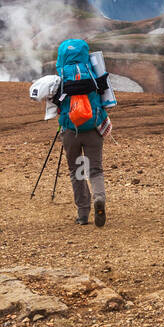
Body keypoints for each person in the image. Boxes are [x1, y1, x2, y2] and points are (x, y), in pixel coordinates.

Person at [54, 37, 110, 227]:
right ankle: (99, 198)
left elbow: (54, 105)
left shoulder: (60, 77)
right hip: (93, 128)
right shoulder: (95, 74)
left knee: (77, 170)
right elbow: (105, 99)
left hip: (71, 131)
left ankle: (83, 213)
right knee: (95, 169)